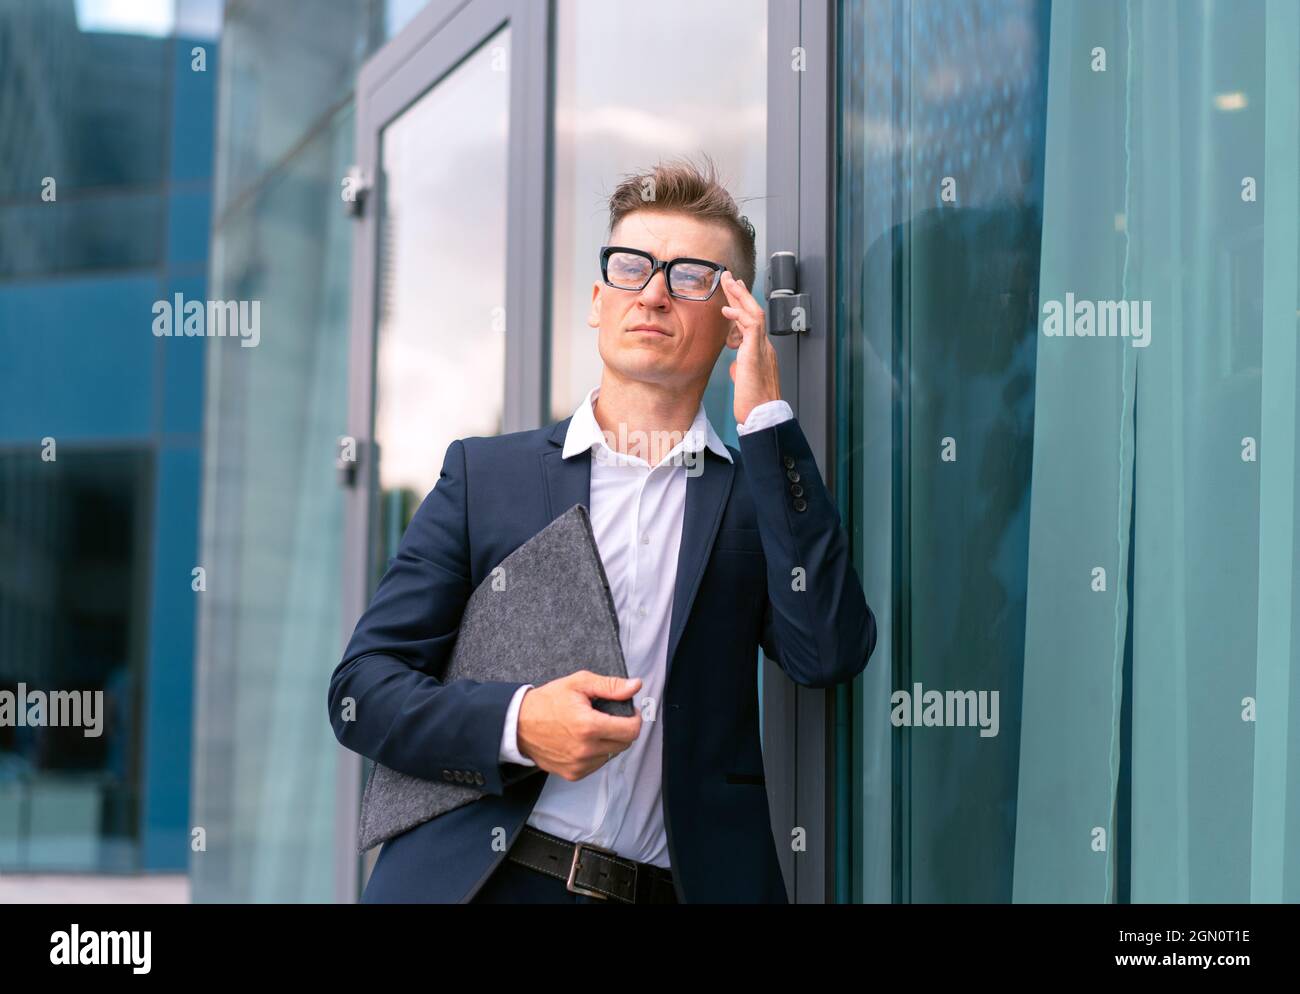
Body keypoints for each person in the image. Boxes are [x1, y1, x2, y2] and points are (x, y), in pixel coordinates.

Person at [328, 154, 877, 904]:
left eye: (690, 276)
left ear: (731, 322)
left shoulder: (761, 501)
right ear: (597, 300)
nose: (653, 293)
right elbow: (362, 690)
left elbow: (828, 652)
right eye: (631, 267)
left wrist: (768, 421)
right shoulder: (484, 479)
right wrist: (521, 724)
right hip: (484, 884)